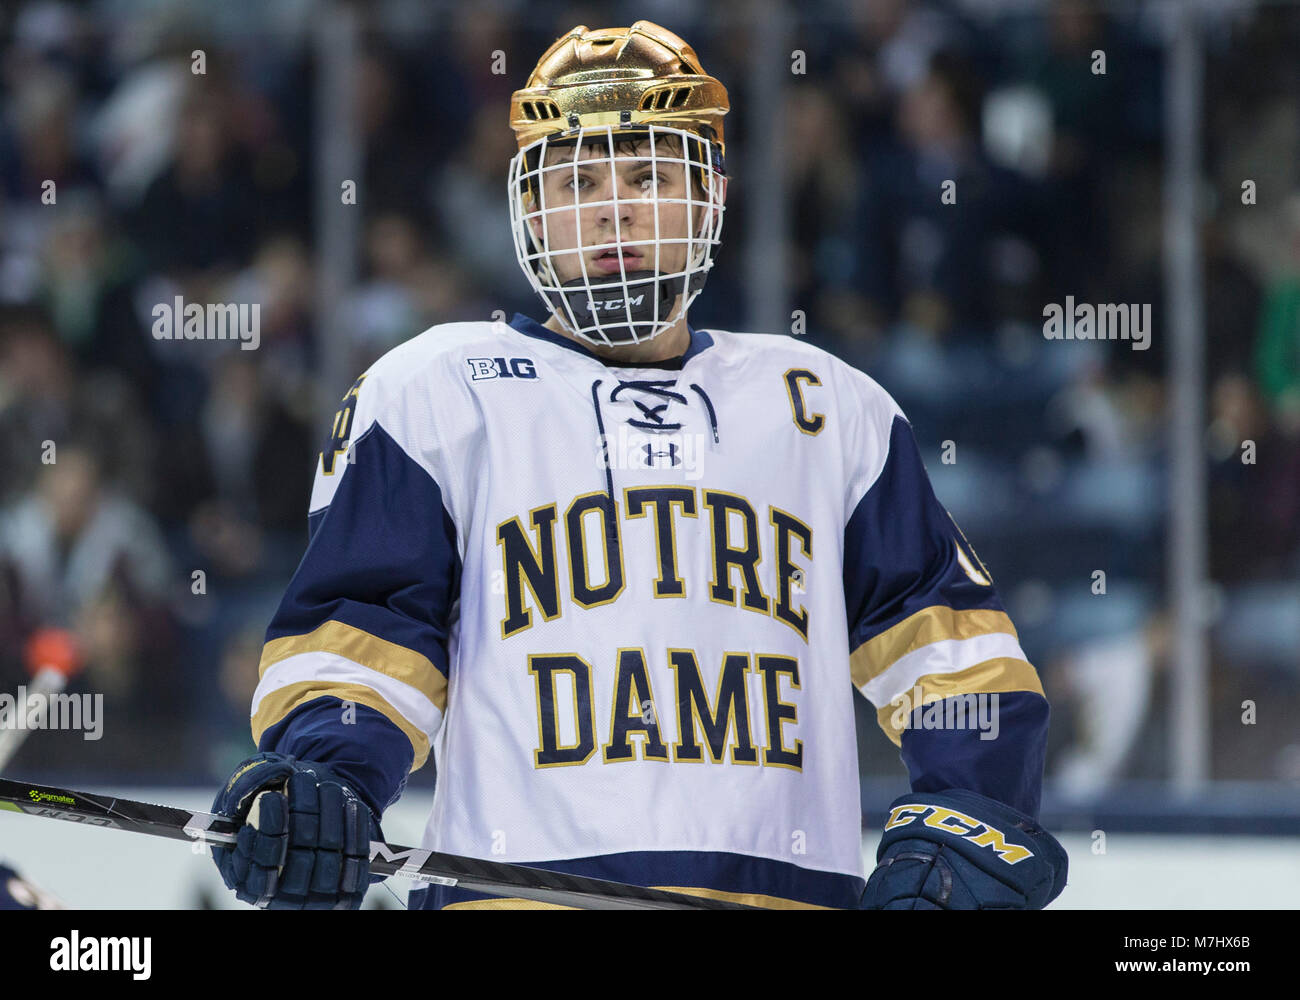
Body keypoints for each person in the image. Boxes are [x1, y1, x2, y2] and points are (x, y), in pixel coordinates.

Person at [211, 21, 1066, 910]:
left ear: (710, 195)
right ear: (531, 208)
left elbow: (957, 658)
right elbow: (363, 633)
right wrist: (328, 783)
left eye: (647, 175)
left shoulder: (826, 405)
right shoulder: (437, 392)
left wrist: (970, 812)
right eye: (576, 180)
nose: (611, 209)